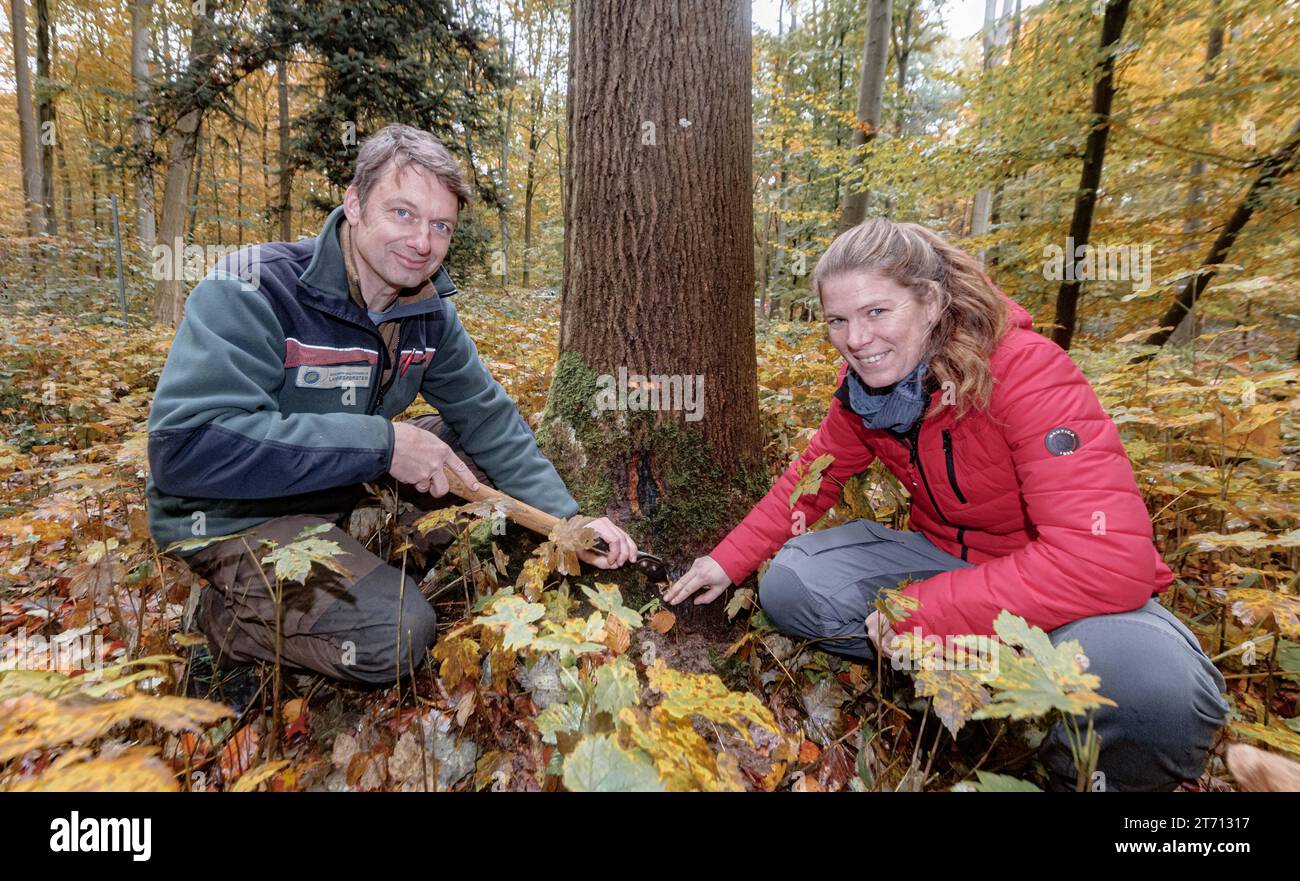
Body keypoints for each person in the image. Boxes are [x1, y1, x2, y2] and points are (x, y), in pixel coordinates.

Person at [664, 218, 1228, 791]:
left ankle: (1070, 763)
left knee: (1155, 692)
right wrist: (725, 562)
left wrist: (926, 612)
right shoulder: (869, 394)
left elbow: (1104, 561)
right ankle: (961, 698)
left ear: (931, 302)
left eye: (876, 312)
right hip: (945, 557)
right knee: (792, 585)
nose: (856, 339)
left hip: (1064, 592)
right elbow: (810, 481)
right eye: (839, 320)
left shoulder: (1026, 371)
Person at [146, 124, 637, 686]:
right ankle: (231, 623)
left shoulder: (424, 312)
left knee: (465, 450)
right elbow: (186, 450)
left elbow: (485, 414)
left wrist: (566, 522)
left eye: (440, 226)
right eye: (402, 213)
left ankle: (354, 554)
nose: (422, 242)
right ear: (353, 204)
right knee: (397, 634)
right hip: (234, 517)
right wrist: (382, 446)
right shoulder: (253, 289)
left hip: (331, 488)